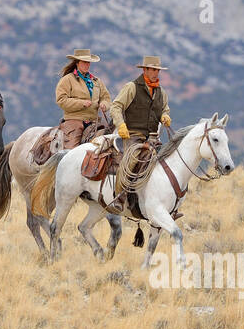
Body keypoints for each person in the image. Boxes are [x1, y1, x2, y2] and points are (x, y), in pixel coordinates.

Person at [110, 55, 172, 212]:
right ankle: (120, 196)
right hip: (132, 134)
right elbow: (116, 106)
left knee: (167, 161)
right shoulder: (131, 87)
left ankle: (167, 201)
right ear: (144, 70)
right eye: (152, 69)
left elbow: (164, 108)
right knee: (132, 159)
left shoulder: (161, 92)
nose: (155, 73)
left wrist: (165, 116)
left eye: (157, 70)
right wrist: (121, 125)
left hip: (152, 137)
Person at [54, 48, 112, 148]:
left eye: (88, 62)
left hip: (94, 121)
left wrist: (104, 105)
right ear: (77, 63)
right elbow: (61, 100)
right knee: (70, 150)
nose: (87, 65)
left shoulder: (96, 81)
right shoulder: (67, 80)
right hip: (74, 120)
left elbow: (106, 98)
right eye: (84, 62)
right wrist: (81, 103)